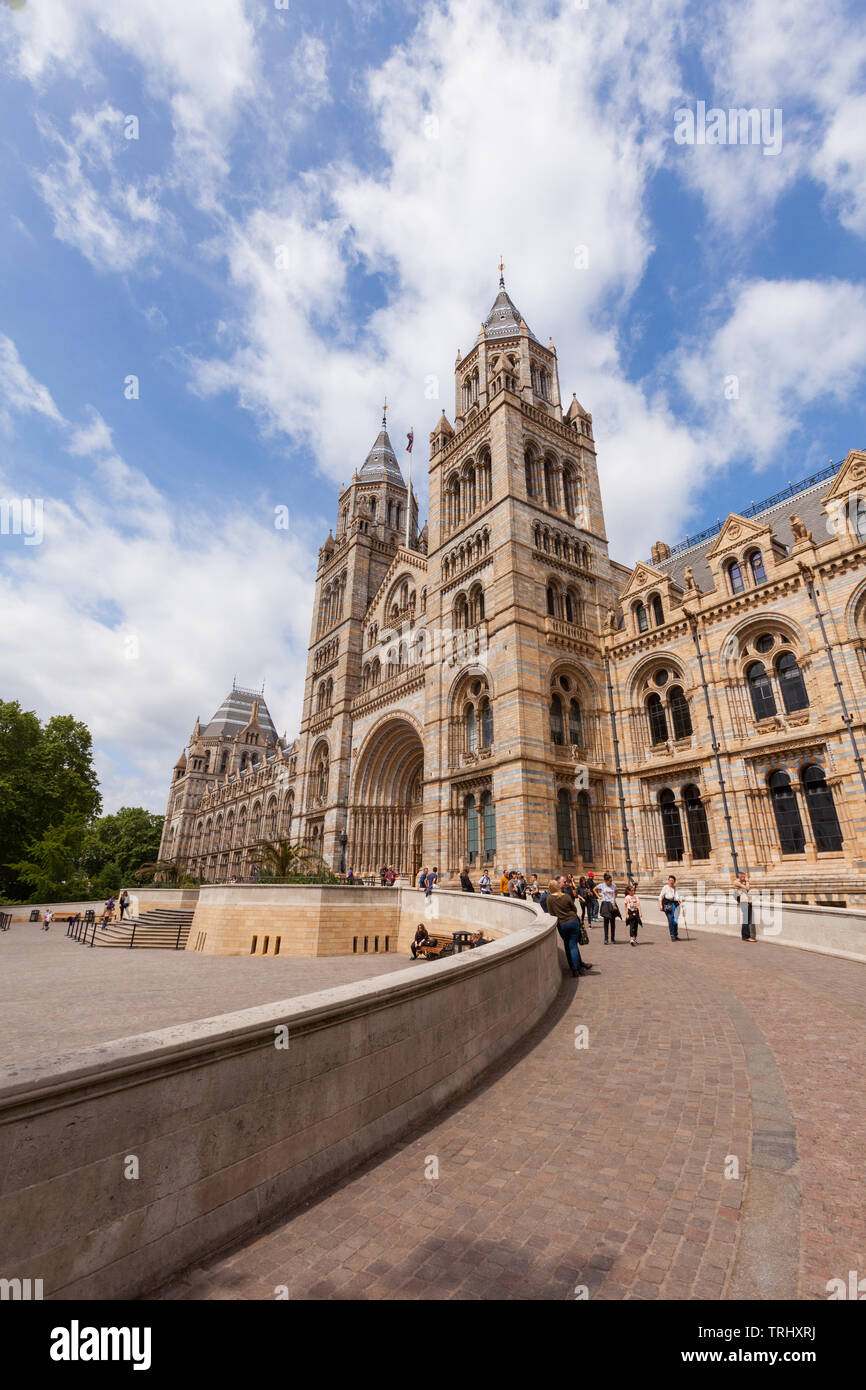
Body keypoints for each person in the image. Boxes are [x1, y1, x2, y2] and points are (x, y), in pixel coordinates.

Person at [546, 877, 592, 977]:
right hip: (573, 922)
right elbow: (574, 909)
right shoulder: (566, 896)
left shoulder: (549, 898)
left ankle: (574, 969)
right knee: (573, 946)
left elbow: (551, 913)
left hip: (562, 925)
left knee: (568, 946)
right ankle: (578, 968)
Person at [596, 872, 620, 943]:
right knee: (606, 922)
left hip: (612, 904)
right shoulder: (602, 885)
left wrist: (614, 898)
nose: (611, 882)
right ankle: (606, 939)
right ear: (606, 881)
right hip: (605, 904)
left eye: (611, 881)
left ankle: (613, 938)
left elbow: (616, 891)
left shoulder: (613, 885)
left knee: (613, 922)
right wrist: (598, 896)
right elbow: (594, 889)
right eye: (610, 881)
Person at [658, 875, 681, 941]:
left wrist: (680, 901)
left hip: (674, 904)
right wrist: (661, 905)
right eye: (670, 880)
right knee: (670, 919)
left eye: (672, 880)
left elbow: (677, 897)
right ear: (668, 880)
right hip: (667, 904)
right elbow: (660, 897)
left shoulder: (675, 888)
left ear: (674, 881)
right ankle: (672, 935)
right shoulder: (665, 887)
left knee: (675, 921)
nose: (671, 882)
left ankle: (676, 935)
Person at [734, 873, 754, 942]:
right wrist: (747, 881)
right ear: (740, 877)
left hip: (746, 902)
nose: (745, 878)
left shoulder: (742, 883)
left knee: (746, 920)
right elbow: (748, 888)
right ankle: (746, 936)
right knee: (746, 920)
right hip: (744, 903)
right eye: (744, 877)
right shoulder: (737, 882)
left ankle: (744, 936)